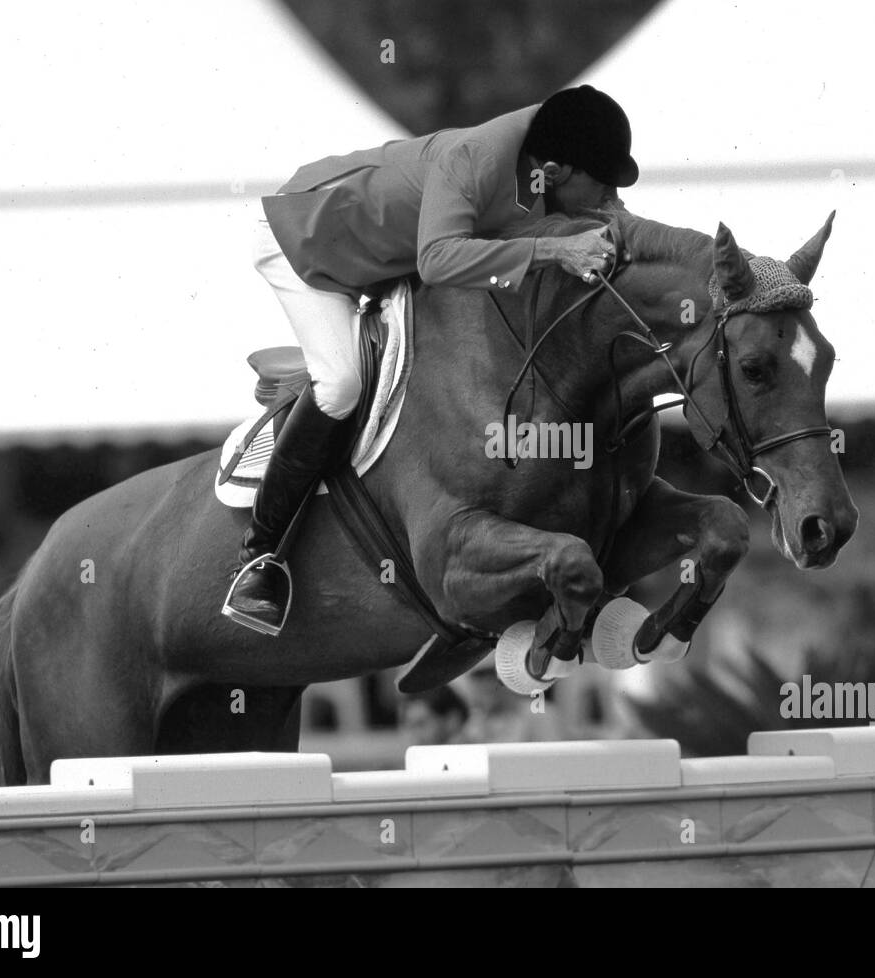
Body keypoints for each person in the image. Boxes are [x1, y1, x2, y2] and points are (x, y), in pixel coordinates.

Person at [224, 86, 639, 634]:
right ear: (558, 171)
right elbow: (440, 260)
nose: (610, 197)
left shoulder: (542, 167)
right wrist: (557, 249)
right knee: (342, 385)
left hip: (381, 259)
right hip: (302, 245)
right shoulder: (476, 157)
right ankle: (260, 555)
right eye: (603, 184)